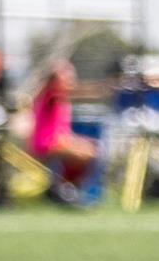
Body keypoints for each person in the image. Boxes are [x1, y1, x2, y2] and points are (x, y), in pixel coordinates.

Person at [27, 60, 104, 204]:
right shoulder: (51, 97)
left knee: (91, 150)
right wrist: (101, 87)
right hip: (46, 144)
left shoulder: (61, 98)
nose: (71, 80)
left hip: (59, 142)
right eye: (67, 76)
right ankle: (64, 188)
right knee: (85, 152)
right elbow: (76, 91)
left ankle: (67, 189)